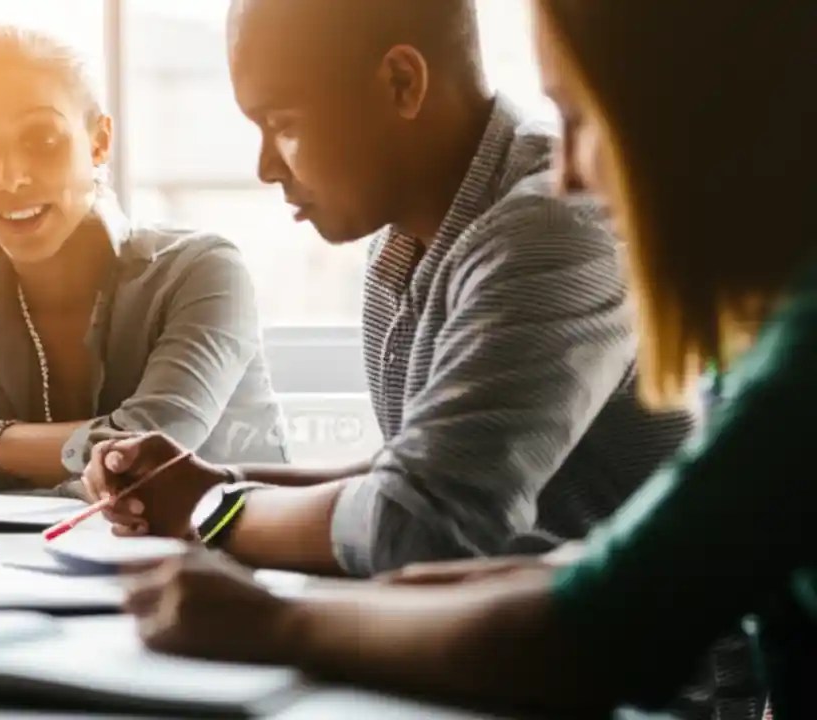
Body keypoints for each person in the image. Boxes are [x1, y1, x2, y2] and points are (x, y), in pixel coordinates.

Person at [121, 0, 815, 717]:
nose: (570, 172)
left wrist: (256, 585)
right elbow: (430, 490)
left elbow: (578, 610)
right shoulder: (398, 250)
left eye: (583, 117)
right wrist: (223, 485)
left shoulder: (560, 228)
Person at [86, 0, 690, 571]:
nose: (266, 166)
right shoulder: (399, 244)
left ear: (402, 82)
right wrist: (206, 482)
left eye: (284, 124)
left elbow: (421, 528)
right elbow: (406, 478)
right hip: (492, 650)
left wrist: (207, 512)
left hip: (641, 677)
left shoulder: (555, 223)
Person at [0, 26, 287, 496]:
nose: (11, 179)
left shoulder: (201, 271)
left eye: (42, 140)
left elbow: (146, 452)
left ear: (99, 142)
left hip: (223, 560)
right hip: (33, 568)